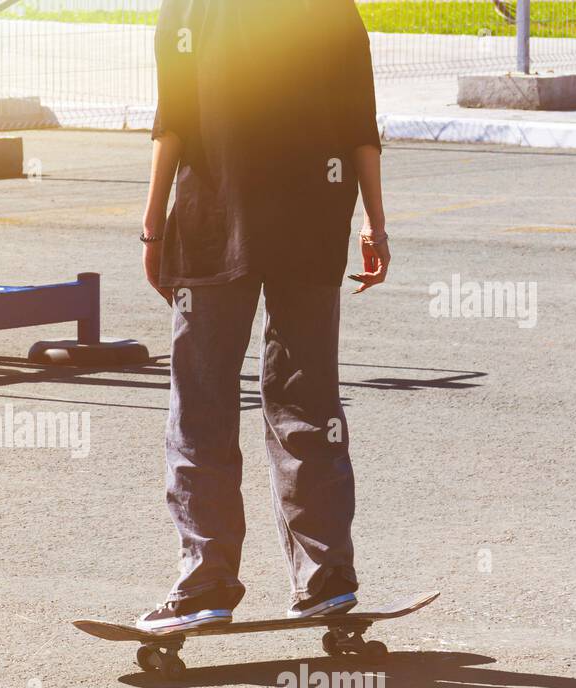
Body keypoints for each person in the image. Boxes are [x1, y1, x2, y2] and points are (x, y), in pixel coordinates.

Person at [138, 0, 390, 633]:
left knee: (201, 401)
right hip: (314, 223)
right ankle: (325, 575)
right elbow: (360, 120)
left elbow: (174, 123)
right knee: (309, 399)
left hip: (214, 222)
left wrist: (151, 229)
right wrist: (374, 221)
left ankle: (206, 579)